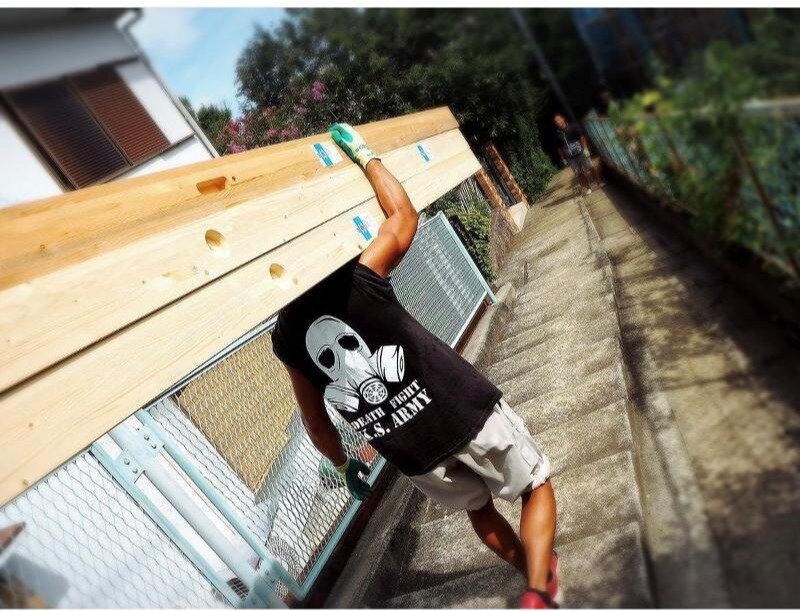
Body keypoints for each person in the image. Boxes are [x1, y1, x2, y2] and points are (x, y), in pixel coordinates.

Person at [271, 123, 560, 609]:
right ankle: (537, 590)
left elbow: (316, 422)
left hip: (407, 446)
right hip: (457, 405)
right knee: (535, 483)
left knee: (480, 511)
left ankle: (536, 577)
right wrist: (366, 156)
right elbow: (403, 214)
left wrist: (343, 465)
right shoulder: (359, 275)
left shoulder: (285, 337)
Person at [554, 113, 599, 195]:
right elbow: (559, 149)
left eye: (559, 120)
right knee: (579, 173)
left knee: (590, 167)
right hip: (570, 158)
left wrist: (585, 149)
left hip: (581, 152)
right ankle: (587, 188)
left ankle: (597, 181)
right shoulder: (557, 135)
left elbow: (582, 137)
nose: (558, 122)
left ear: (563, 119)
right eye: (556, 122)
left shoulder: (573, 127)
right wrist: (563, 159)